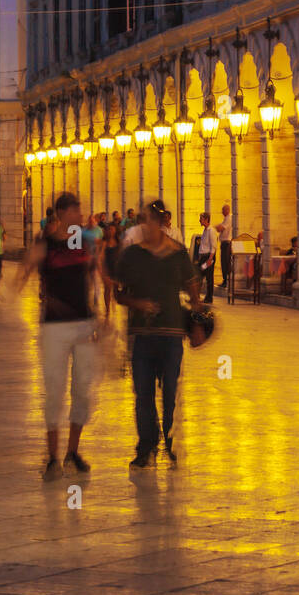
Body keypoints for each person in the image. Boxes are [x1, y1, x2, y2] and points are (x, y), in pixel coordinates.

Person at [18, 193, 98, 481]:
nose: (81, 216)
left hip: (83, 323)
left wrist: (98, 315)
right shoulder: (46, 243)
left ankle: (72, 452)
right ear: (63, 213)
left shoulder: (83, 242)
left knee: (82, 390)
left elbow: (91, 277)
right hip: (54, 326)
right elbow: (25, 271)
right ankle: (52, 457)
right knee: (54, 391)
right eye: (76, 211)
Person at [115, 201, 201, 469]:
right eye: (143, 221)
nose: (146, 226)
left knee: (171, 392)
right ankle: (146, 446)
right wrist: (138, 304)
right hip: (142, 334)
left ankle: (171, 442)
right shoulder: (132, 255)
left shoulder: (178, 254)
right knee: (143, 393)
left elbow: (193, 292)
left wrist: (197, 323)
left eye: (150, 221)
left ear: (160, 222)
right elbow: (118, 293)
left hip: (172, 334)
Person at [101, 220, 122, 318]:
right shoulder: (104, 242)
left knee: (116, 289)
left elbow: (122, 254)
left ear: (115, 230)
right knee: (107, 289)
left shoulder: (119, 242)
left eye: (112, 229)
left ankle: (115, 305)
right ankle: (108, 309)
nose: (110, 231)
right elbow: (101, 256)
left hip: (116, 268)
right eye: (109, 229)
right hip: (108, 267)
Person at [194, 212, 216, 304]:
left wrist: (210, 259)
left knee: (209, 277)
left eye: (201, 218)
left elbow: (213, 246)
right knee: (199, 275)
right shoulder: (205, 230)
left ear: (206, 219)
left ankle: (209, 298)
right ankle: (196, 296)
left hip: (208, 258)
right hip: (203, 258)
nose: (199, 220)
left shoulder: (211, 231)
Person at [216, 204, 233, 289]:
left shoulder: (229, 218)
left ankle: (226, 281)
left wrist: (215, 227)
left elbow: (220, 228)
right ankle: (225, 280)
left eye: (223, 210)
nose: (222, 212)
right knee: (223, 262)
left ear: (227, 210)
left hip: (227, 243)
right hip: (224, 243)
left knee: (226, 262)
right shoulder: (226, 218)